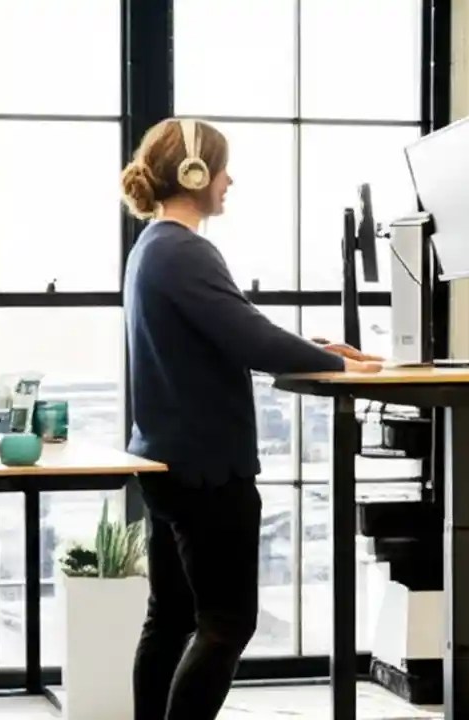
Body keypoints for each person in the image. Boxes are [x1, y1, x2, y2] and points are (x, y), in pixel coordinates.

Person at [120, 118, 381, 720]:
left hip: (167, 460)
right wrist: (340, 369)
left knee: (173, 617)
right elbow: (251, 339)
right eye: (221, 167)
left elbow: (232, 326)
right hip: (208, 469)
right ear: (193, 173)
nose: (229, 179)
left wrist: (319, 353)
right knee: (226, 624)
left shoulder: (153, 248)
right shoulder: (185, 249)